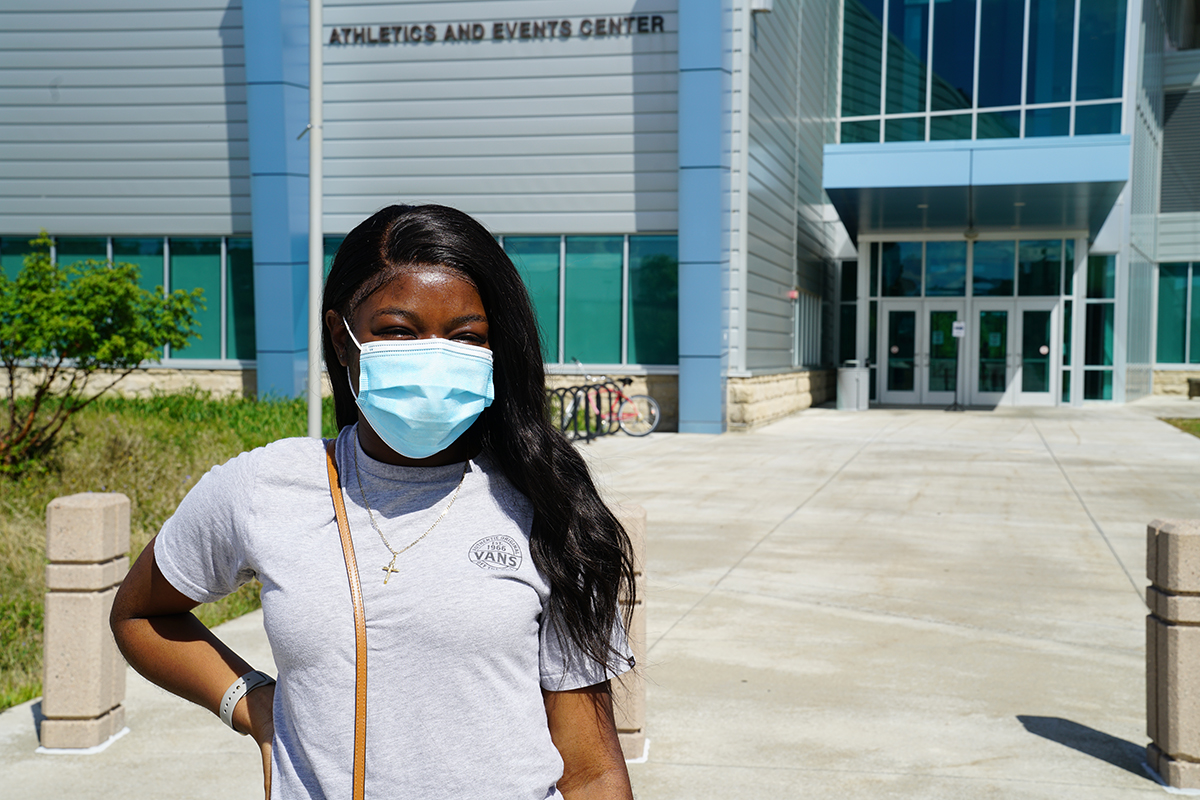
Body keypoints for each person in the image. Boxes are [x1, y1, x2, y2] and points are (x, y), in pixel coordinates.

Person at [111, 204, 637, 800]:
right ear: (343, 339)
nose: (433, 356)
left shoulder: (548, 506)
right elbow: (140, 615)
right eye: (399, 330)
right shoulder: (265, 487)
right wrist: (253, 705)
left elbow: (591, 770)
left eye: (466, 336)